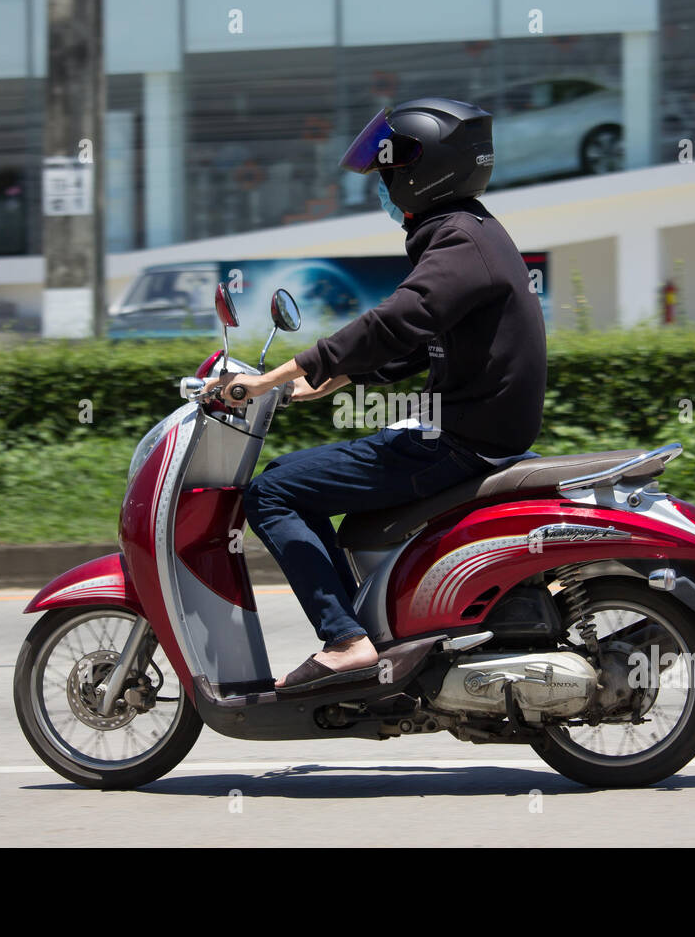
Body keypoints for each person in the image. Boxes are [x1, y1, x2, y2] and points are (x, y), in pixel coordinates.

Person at [204, 98, 547, 692]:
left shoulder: (461, 241)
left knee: (274, 492)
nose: (382, 192)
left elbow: (394, 322)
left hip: (458, 441)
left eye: (386, 177)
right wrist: (337, 378)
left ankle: (346, 641)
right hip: (467, 431)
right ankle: (380, 638)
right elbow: (421, 342)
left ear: (423, 172)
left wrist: (271, 378)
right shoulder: (472, 232)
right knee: (323, 498)